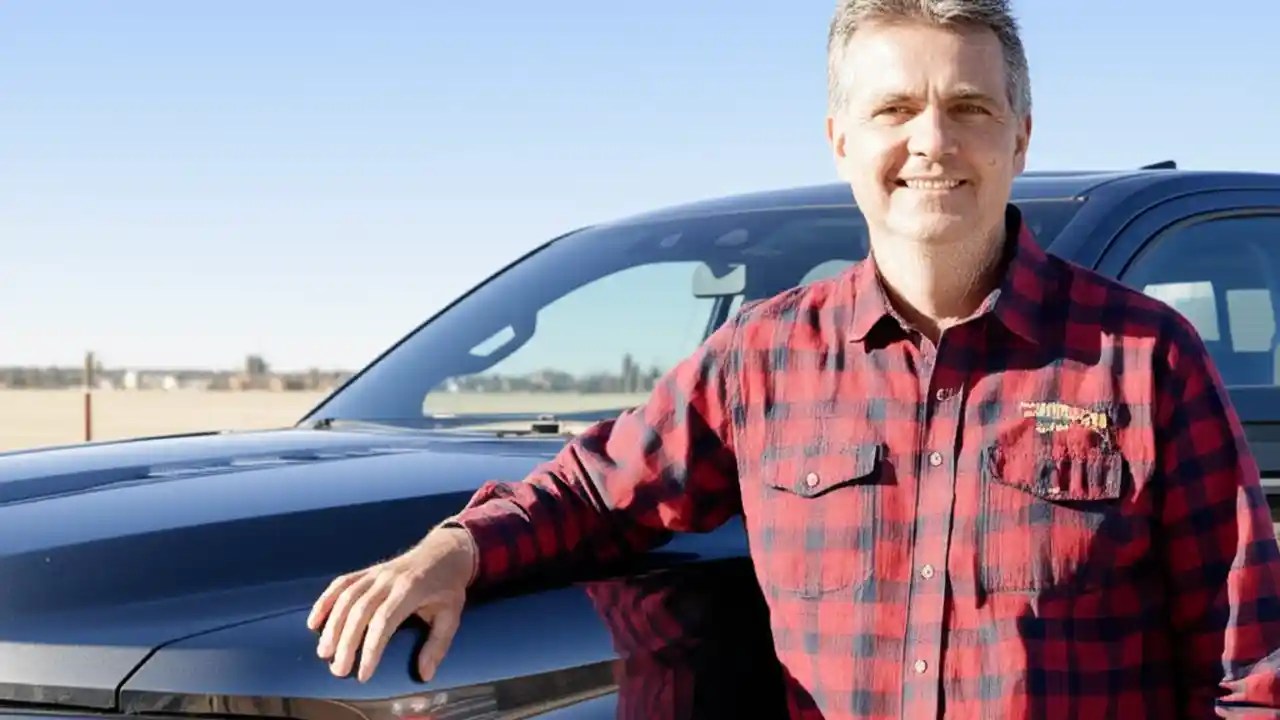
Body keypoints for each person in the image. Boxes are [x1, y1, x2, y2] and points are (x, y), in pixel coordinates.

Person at [308, 0, 1280, 717]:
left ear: (1018, 138)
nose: (930, 141)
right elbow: (599, 491)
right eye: (894, 107)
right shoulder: (763, 364)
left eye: (969, 109)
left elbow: (1247, 668)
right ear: (839, 138)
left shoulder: (1143, 362)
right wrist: (453, 551)